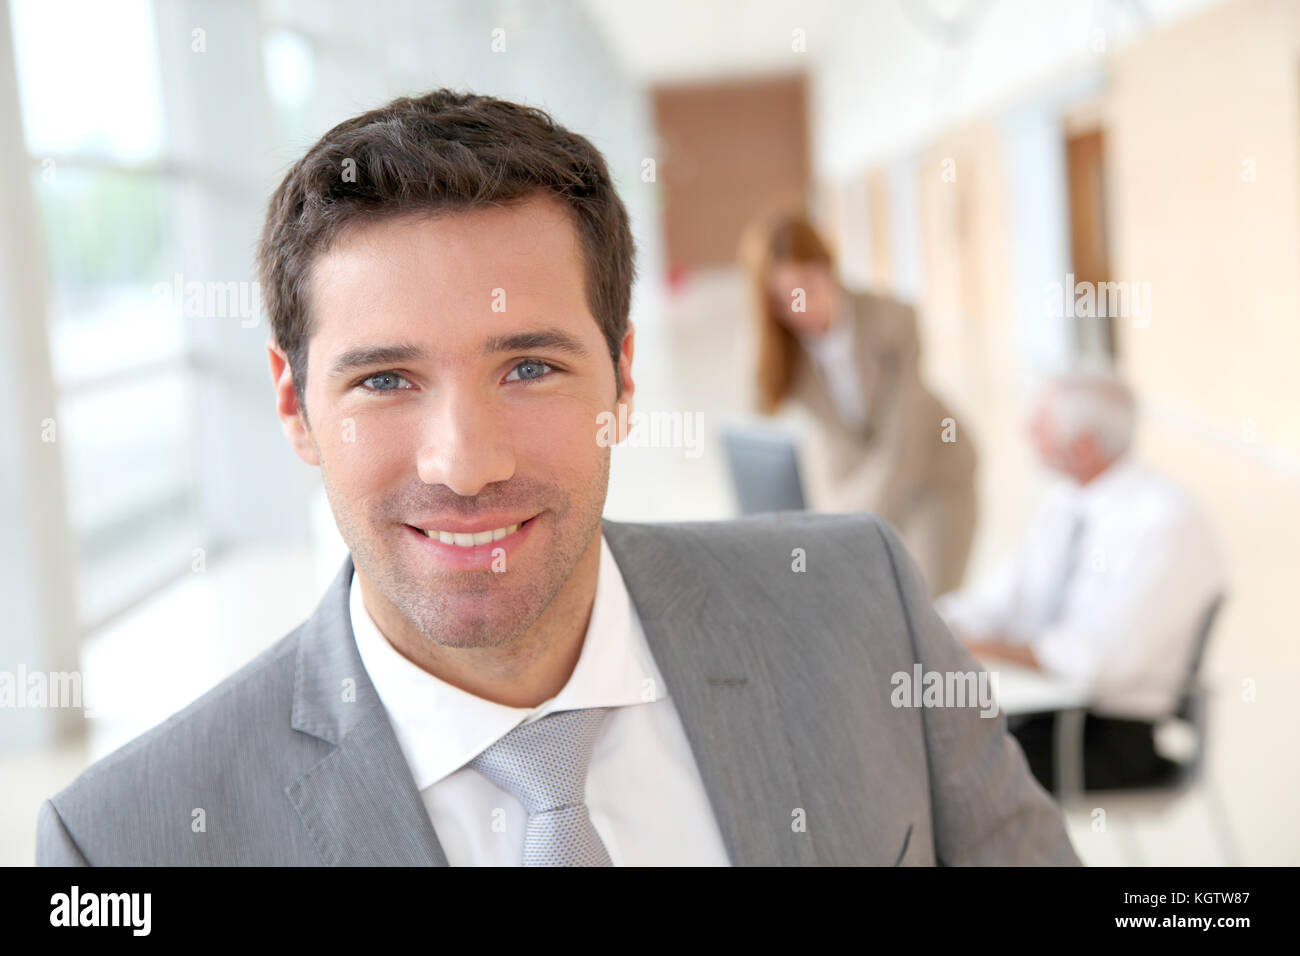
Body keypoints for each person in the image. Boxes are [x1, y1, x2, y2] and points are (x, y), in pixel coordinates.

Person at [36, 90, 1077, 866]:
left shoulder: (859, 603)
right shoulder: (127, 843)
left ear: (623, 377)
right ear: (293, 405)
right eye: (385, 378)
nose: (467, 461)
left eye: (528, 366)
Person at [936, 368, 1227, 794]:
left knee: (946, 775)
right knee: (916, 740)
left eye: (1041, 423)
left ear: (1084, 445)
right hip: (1041, 712)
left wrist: (983, 648)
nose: (1028, 432)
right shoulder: (1065, 503)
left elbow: (1096, 660)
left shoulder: (1163, 522)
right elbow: (1000, 600)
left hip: (1104, 733)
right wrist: (928, 623)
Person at [738, 212, 978, 598]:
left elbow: (902, 446)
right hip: (862, 483)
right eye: (782, 300)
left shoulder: (894, 319)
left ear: (828, 269)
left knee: (927, 605)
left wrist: (847, 530)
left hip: (933, 475)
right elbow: (756, 412)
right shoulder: (790, 351)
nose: (799, 309)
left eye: (806, 288)